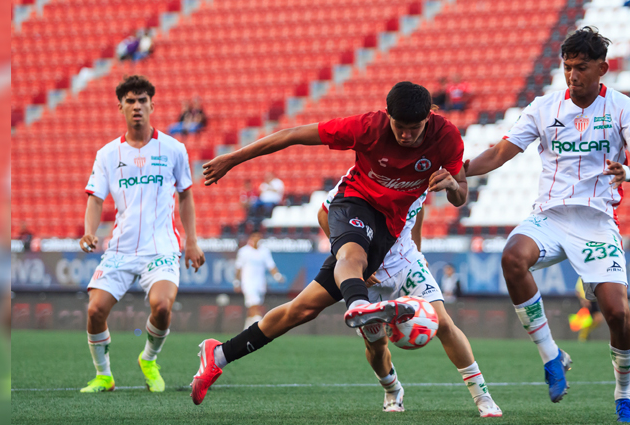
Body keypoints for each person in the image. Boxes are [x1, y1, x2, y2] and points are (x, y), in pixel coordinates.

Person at [191, 81, 468, 404]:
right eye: (399, 127)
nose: (406, 136)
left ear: (429, 118)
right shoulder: (367, 127)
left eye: (414, 129)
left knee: (301, 310)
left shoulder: (446, 138)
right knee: (351, 254)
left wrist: (452, 185)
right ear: (386, 115)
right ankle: (358, 305)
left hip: (387, 235)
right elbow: (292, 134)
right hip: (353, 204)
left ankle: (219, 354)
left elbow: (460, 195)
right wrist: (234, 159)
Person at [464, 27, 630, 422]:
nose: (573, 75)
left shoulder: (623, 108)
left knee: (617, 314)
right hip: (550, 216)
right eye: (568, 67)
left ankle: (624, 394)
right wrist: (459, 172)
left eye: (582, 67)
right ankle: (552, 355)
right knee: (512, 258)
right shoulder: (545, 107)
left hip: (596, 222)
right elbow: (501, 152)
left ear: (602, 68)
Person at [191, 173, 501, 417]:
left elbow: (420, 211)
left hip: (406, 263)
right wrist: (350, 258)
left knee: (443, 323)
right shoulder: (363, 173)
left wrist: (415, 251)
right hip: (359, 262)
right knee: (316, 318)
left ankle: (482, 396)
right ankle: (218, 354)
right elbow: (324, 213)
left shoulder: (422, 168)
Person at [78, 75, 205, 393]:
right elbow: (95, 198)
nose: (137, 106)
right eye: (131, 101)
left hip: (161, 247)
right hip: (120, 249)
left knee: (162, 306)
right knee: (95, 310)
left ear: (152, 105)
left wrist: (191, 241)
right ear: (120, 107)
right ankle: (104, 375)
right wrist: (89, 232)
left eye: (142, 100)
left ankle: (148, 359)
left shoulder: (174, 149)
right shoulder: (107, 154)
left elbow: (186, 195)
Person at [235, 231, 285, 329]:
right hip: (248, 283)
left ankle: (246, 331)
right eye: (254, 236)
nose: (257, 238)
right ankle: (259, 328)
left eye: (259, 236)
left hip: (260, 283)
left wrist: (277, 276)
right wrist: (237, 282)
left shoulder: (264, 251)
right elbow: (238, 268)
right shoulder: (244, 251)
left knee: (252, 308)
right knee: (254, 305)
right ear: (250, 238)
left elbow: (271, 266)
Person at [574, 277, 604, 342]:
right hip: (585, 301)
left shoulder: (595, 275)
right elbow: (578, 290)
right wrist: (583, 300)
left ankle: (585, 333)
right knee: (586, 320)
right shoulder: (583, 276)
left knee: (598, 319)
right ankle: (582, 338)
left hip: (593, 300)